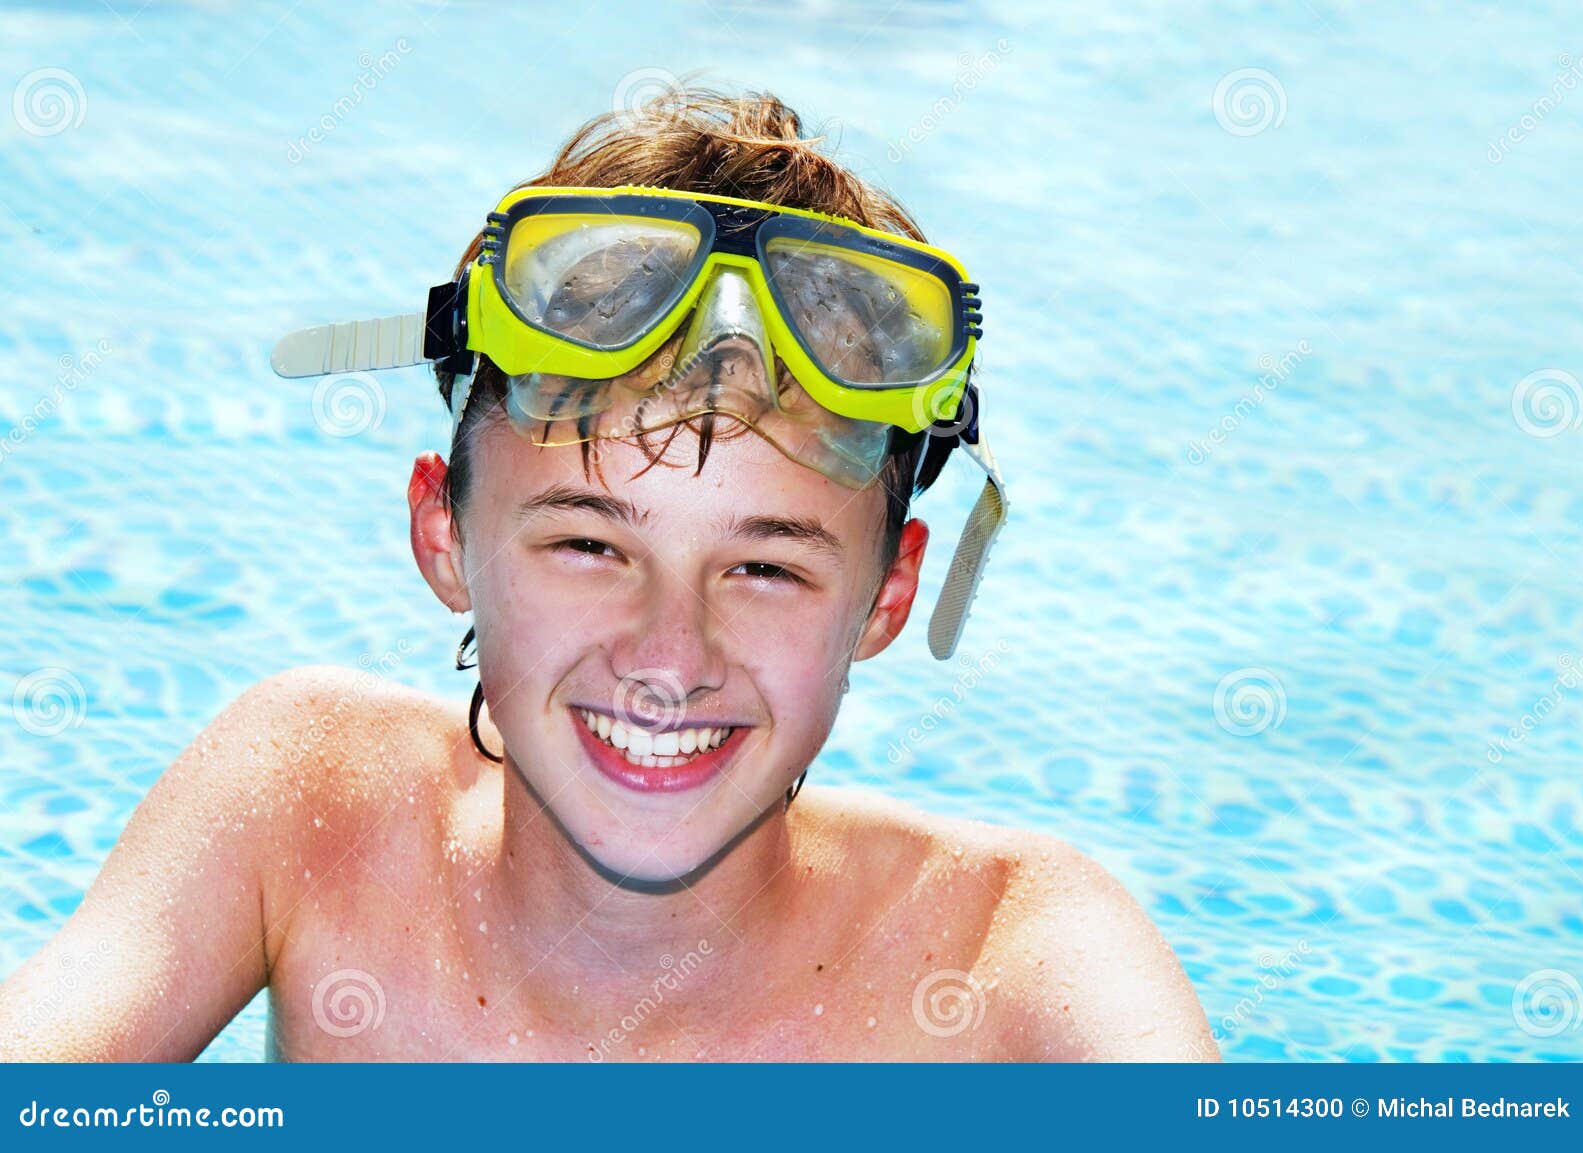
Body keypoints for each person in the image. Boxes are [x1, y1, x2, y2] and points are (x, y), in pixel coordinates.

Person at [0, 90, 1217, 1062]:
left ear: (886, 599)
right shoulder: (306, 811)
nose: (667, 656)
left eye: (764, 565)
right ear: (444, 536)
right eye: (589, 543)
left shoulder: (1013, 961)